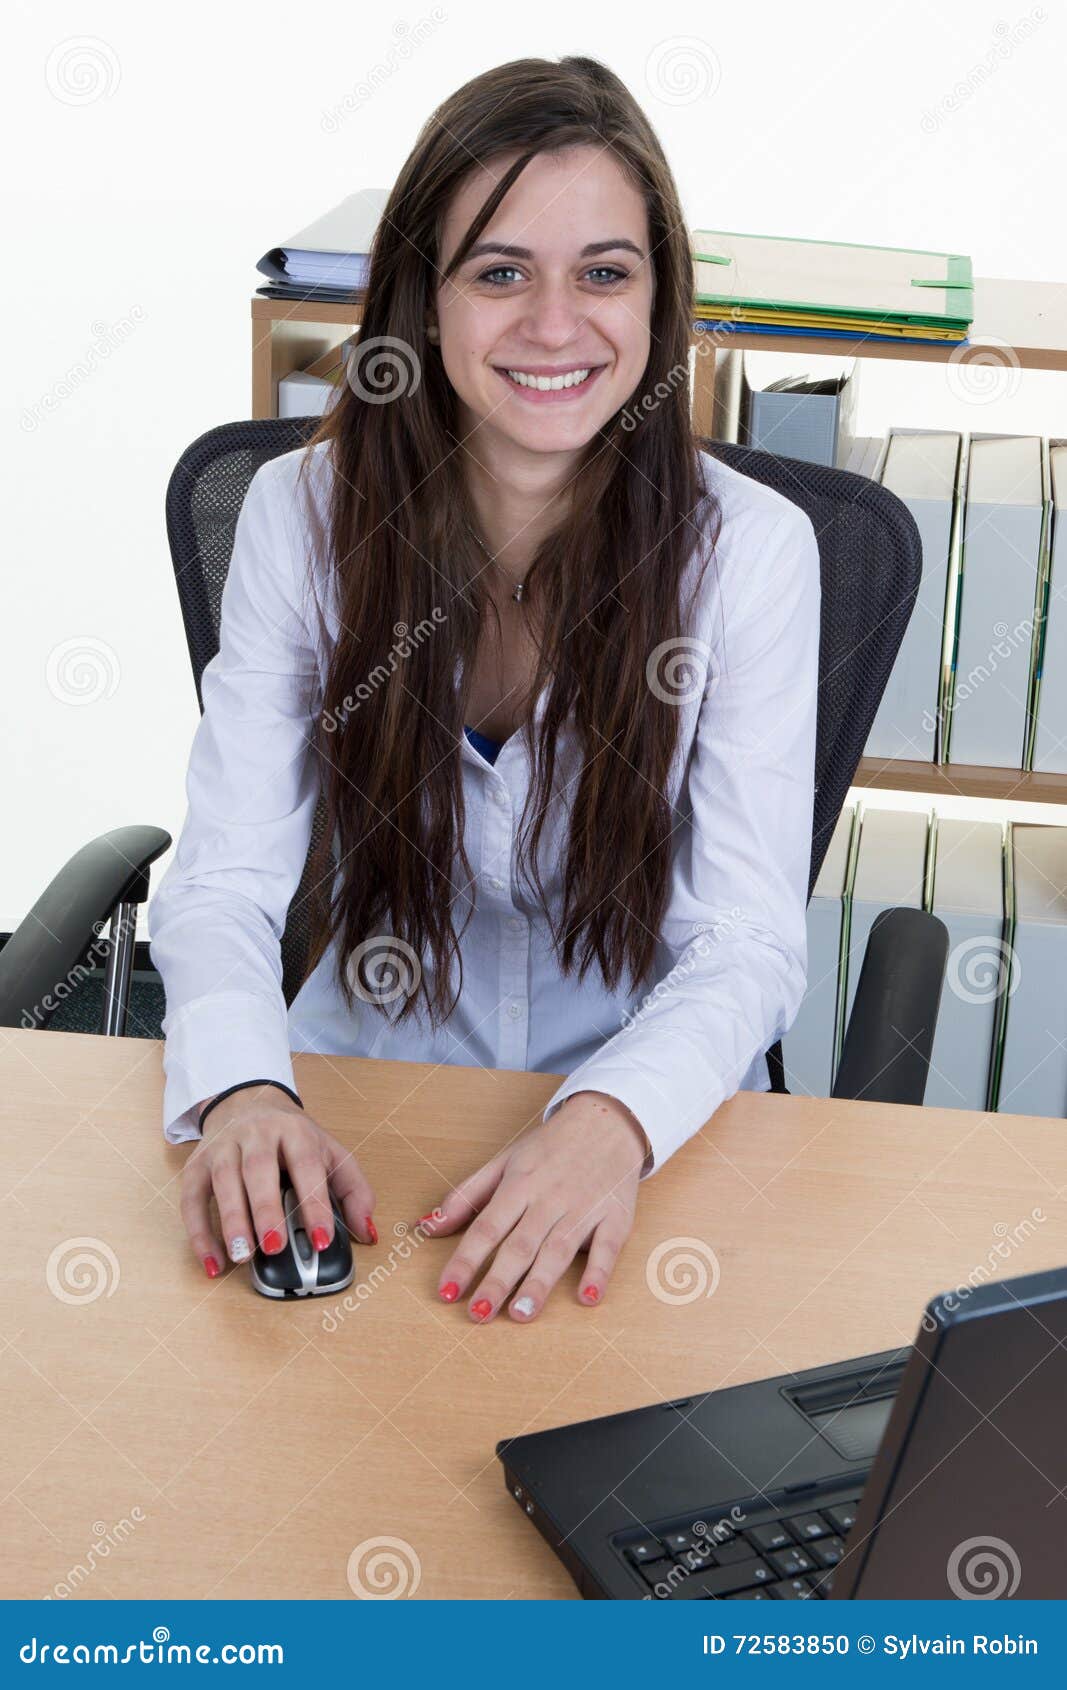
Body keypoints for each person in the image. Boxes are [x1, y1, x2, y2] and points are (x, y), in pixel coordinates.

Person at [148, 53, 821, 1321]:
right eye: (500, 271)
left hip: (637, 1118)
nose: (554, 325)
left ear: (658, 303)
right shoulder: (306, 516)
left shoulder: (752, 553)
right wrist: (244, 1089)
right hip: (359, 1100)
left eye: (603, 273)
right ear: (424, 301)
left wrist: (608, 1121)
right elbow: (229, 876)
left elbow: (742, 941)